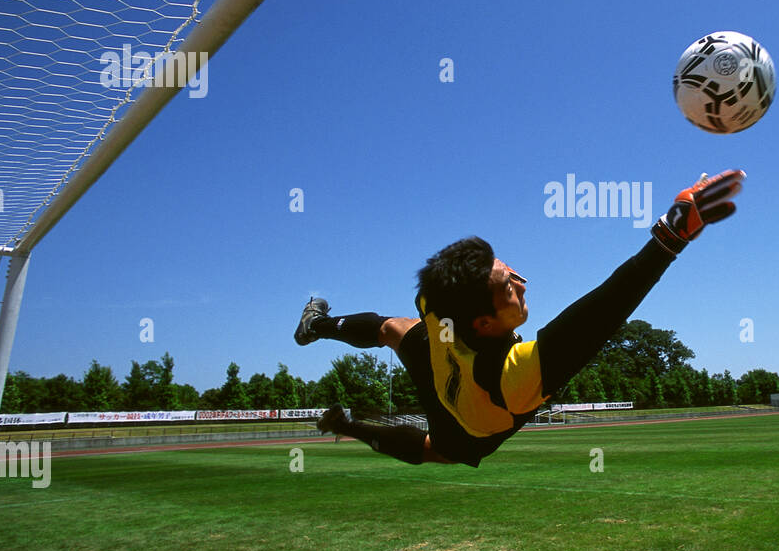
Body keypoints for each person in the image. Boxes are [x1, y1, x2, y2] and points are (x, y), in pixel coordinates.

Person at [292, 170, 745, 468]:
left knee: (391, 329)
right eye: (510, 287)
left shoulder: (434, 301)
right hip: (468, 426)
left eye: (510, 272)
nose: (523, 282)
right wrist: (667, 238)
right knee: (439, 450)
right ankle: (342, 416)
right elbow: (597, 317)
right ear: (484, 324)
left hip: (453, 371)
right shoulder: (512, 378)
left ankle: (324, 345)